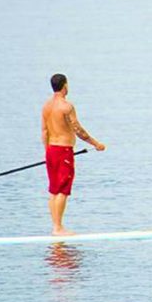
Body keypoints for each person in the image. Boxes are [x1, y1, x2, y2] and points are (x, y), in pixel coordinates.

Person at [41, 73, 106, 235]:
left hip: (51, 150)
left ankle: (55, 226)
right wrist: (96, 143)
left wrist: (47, 152)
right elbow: (78, 130)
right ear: (65, 85)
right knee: (63, 189)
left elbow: (44, 131)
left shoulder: (46, 106)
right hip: (63, 151)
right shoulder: (66, 107)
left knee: (54, 190)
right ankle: (58, 228)